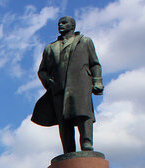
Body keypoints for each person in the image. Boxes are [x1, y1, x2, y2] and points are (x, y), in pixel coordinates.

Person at [32, 16, 103, 153]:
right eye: (59, 23)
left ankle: (87, 145)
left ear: (72, 26)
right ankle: (68, 150)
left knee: (83, 116)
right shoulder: (50, 48)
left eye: (64, 23)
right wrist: (48, 81)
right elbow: (42, 71)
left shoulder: (84, 41)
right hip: (59, 89)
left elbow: (95, 63)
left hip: (81, 85)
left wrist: (97, 81)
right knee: (64, 122)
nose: (60, 25)